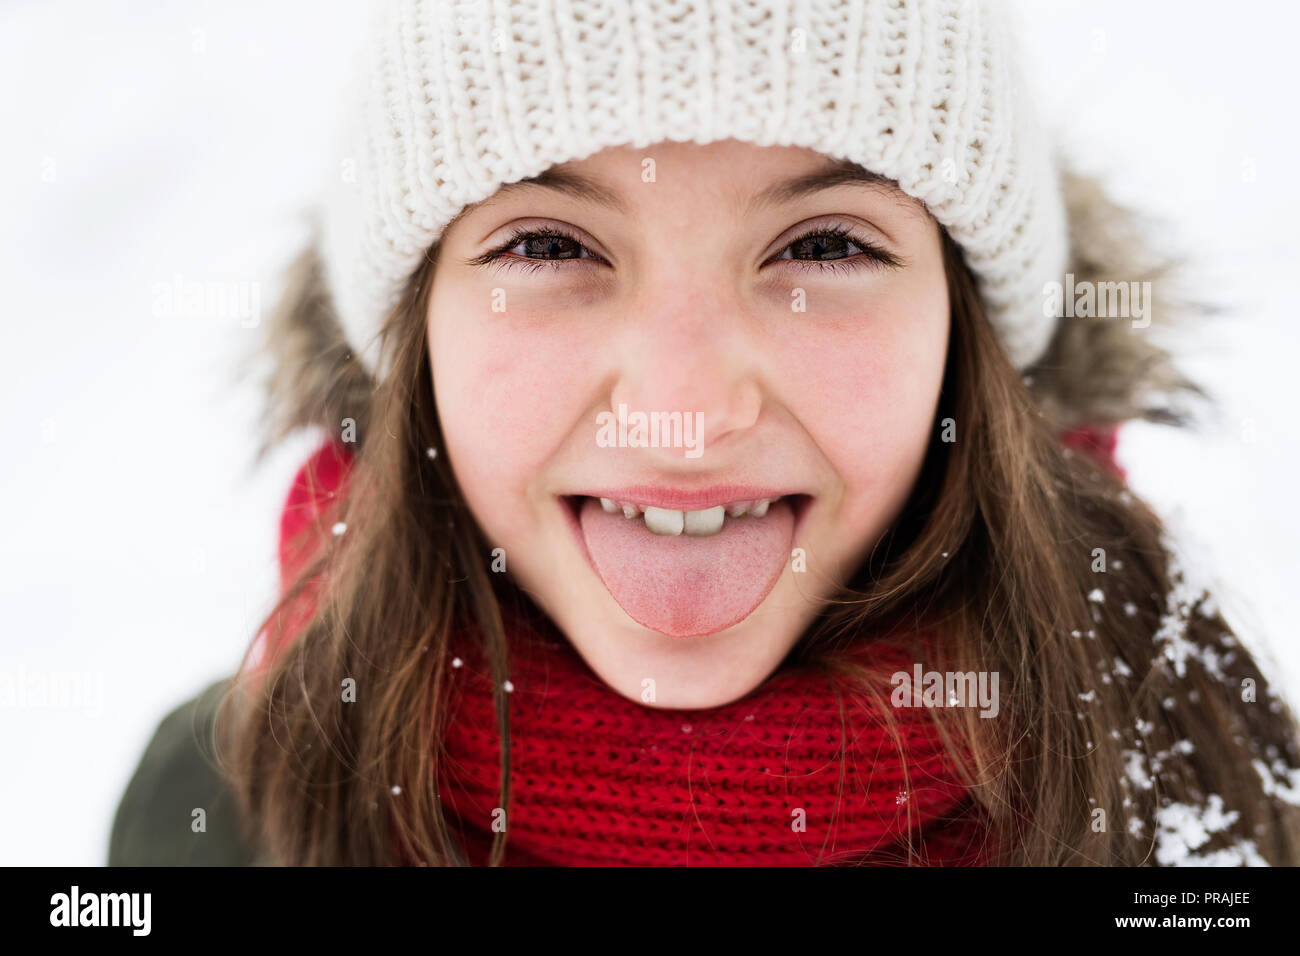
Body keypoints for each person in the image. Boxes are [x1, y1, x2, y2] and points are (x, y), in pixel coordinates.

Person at [110, 0, 1300, 866]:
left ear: (967, 329)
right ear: (414, 332)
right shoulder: (208, 812)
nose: (681, 414)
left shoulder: (1217, 812)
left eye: (825, 246)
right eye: (548, 244)